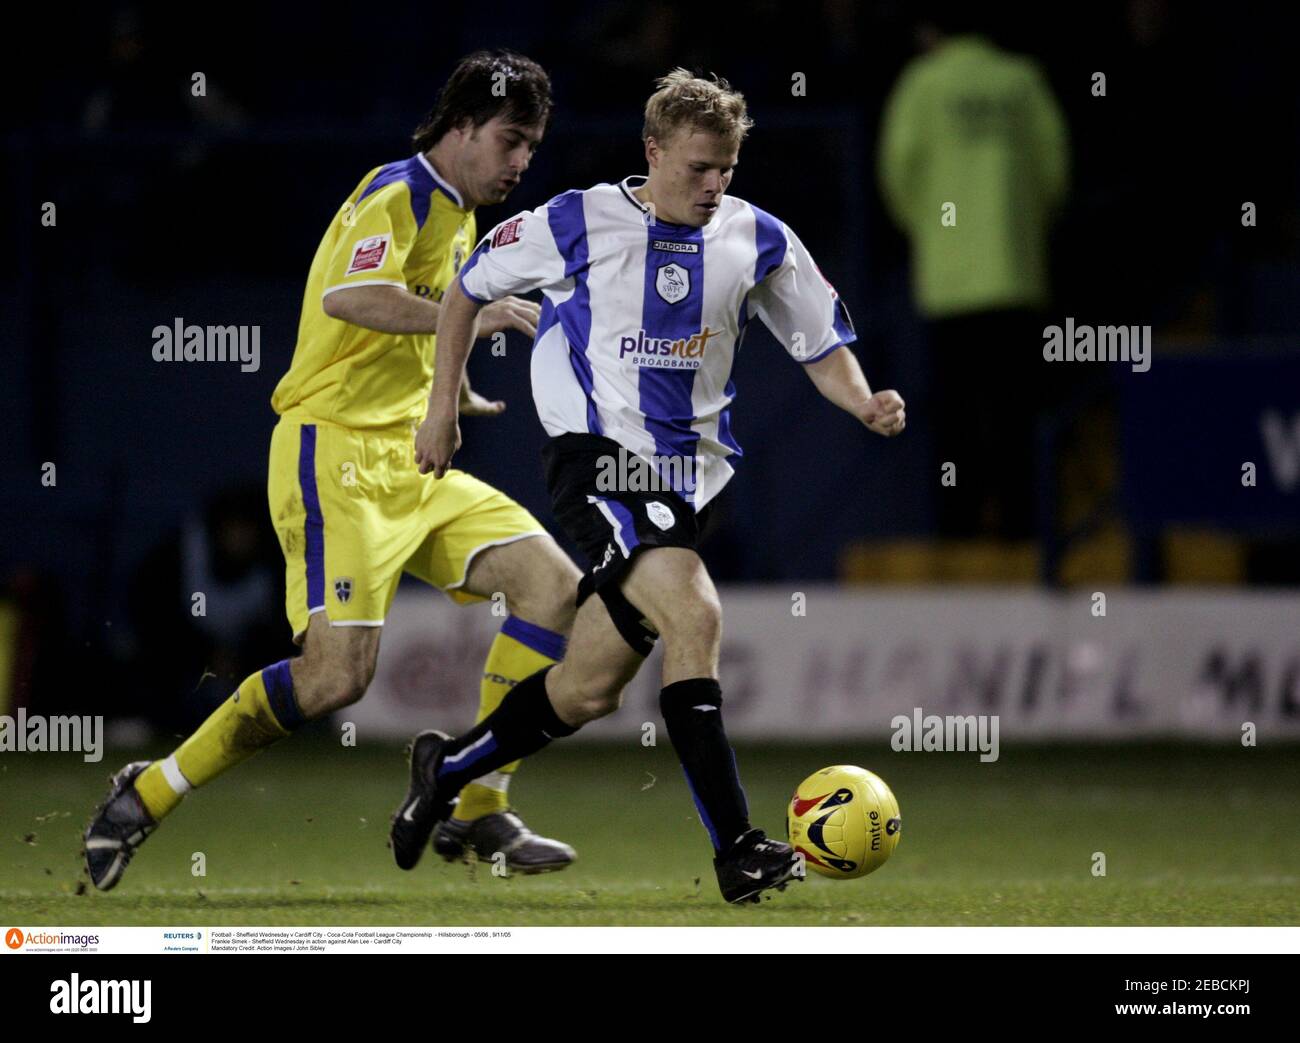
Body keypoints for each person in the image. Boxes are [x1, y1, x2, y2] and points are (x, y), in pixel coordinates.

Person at [391, 69, 906, 903]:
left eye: (727, 169)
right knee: (696, 612)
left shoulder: (757, 237)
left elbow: (818, 340)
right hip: (597, 457)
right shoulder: (575, 220)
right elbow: (465, 290)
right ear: (654, 151)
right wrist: (440, 410)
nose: (715, 185)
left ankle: (447, 766)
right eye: (699, 167)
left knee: (588, 687)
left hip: (690, 482)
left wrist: (865, 401)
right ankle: (737, 848)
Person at [84, 50, 583, 890]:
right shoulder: (400, 193)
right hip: (335, 456)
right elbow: (351, 300)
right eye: (510, 139)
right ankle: (150, 790)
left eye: (532, 144)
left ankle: (477, 805)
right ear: (462, 127)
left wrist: (452, 389)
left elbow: (419, 321)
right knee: (334, 679)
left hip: (410, 460)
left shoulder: (460, 214)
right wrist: (482, 314)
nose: (522, 160)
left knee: (556, 591)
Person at [878, 9, 1069, 539]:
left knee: (955, 416)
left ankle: (958, 532)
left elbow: (897, 172)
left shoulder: (922, 83)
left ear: (931, 30)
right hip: (1016, 272)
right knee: (1017, 411)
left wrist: (931, 232)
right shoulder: (1022, 81)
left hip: (949, 280)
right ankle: (1023, 530)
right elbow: (1054, 170)